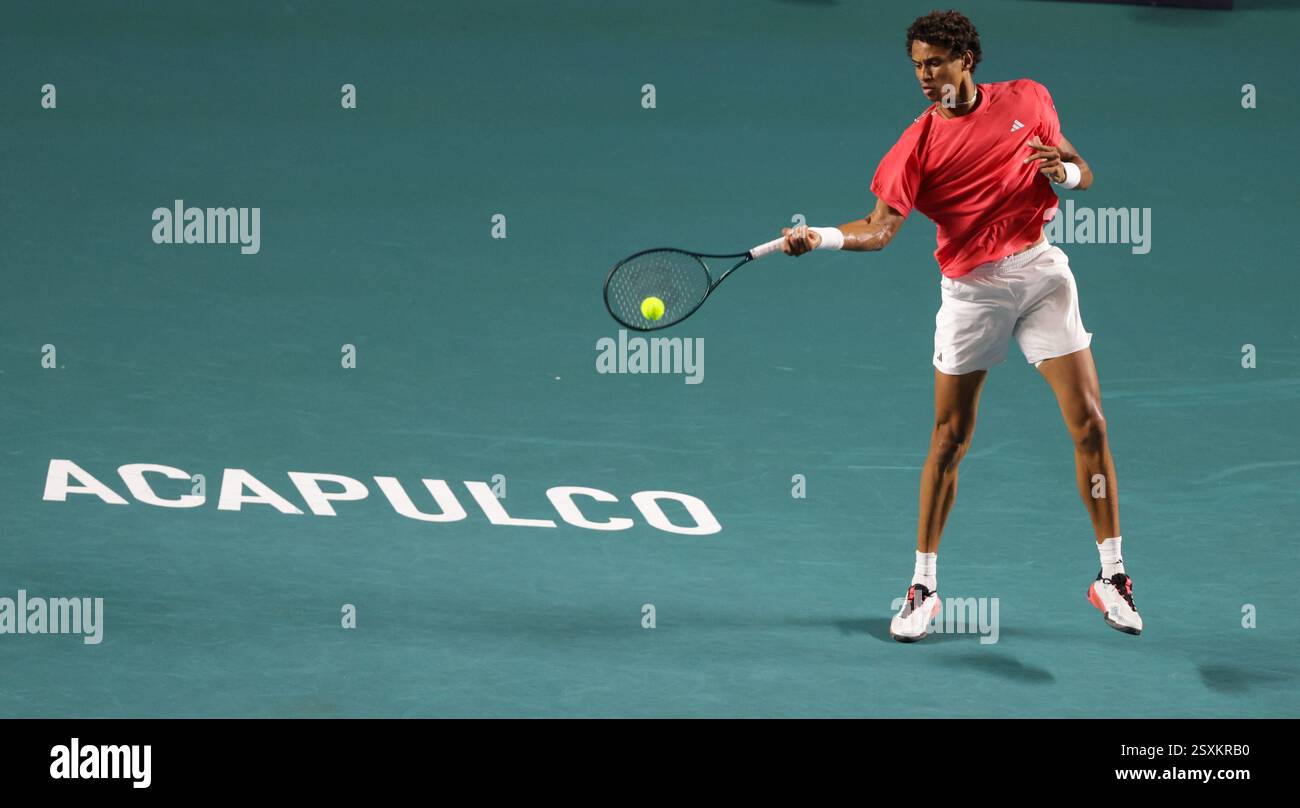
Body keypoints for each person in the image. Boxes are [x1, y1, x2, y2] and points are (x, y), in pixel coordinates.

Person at [779, 10, 1142, 642]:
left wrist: (1068, 175)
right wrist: (825, 236)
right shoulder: (914, 145)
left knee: (1090, 422)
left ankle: (1111, 577)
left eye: (935, 63)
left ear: (966, 59)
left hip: (1041, 273)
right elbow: (882, 229)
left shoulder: (1029, 98)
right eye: (917, 65)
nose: (924, 76)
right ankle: (923, 586)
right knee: (950, 436)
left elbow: (1080, 166)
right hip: (972, 295)